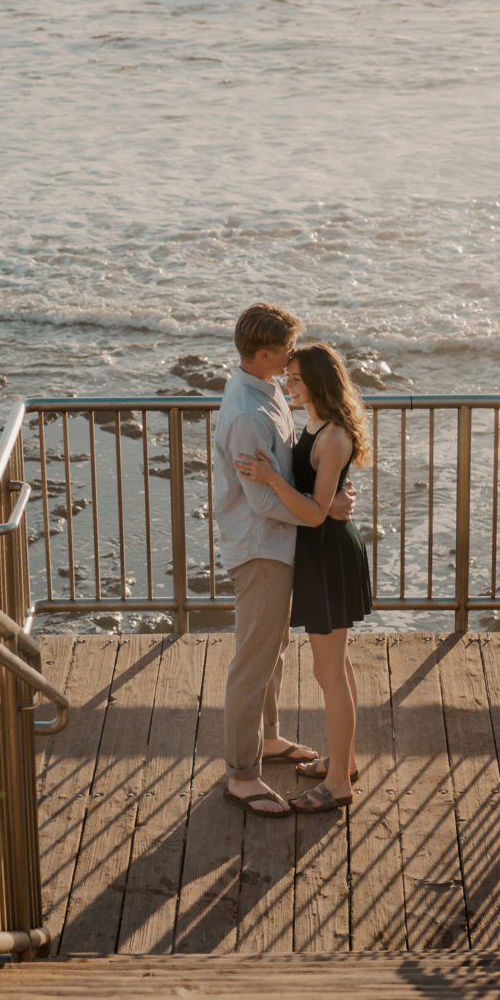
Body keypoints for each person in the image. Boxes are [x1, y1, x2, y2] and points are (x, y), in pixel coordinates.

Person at [213, 305, 355, 818]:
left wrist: (324, 498)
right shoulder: (249, 414)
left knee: (271, 652)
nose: (294, 357)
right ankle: (241, 774)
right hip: (260, 547)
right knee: (253, 661)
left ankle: (268, 738)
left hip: (278, 543)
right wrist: (322, 509)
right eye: (288, 349)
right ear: (267, 353)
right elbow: (264, 502)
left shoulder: (267, 387)